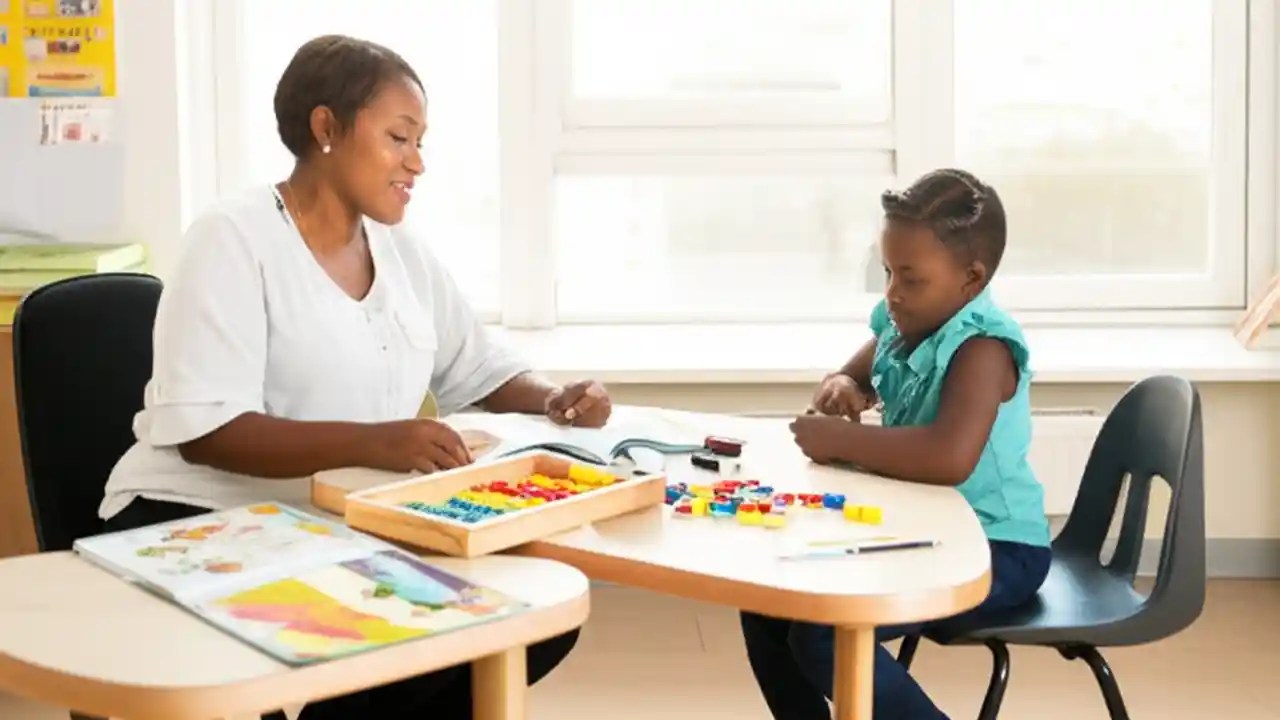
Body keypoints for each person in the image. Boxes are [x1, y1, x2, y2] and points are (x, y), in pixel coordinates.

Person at [98, 34, 605, 719]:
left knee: (534, 621)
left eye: (421, 141)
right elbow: (206, 433)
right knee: (401, 641)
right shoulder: (232, 238)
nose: (417, 163)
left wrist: (554, 398)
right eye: (400, 137)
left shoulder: (399, 250)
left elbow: (476, 366)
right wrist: (375, 442)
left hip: (326, 528)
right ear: (326, 128)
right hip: (201, 519)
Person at [740, 169, 1052, 719]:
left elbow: (948, 456)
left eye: (911, 279)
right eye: (887, 272)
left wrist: (843, 443)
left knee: (821, 634)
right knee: (767, 604)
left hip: (994, 549)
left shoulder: (983, 348)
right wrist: (841, 388)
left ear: (971, 280)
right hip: (922, 533)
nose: (893, 293)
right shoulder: (904, 321)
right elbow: (852, 377)